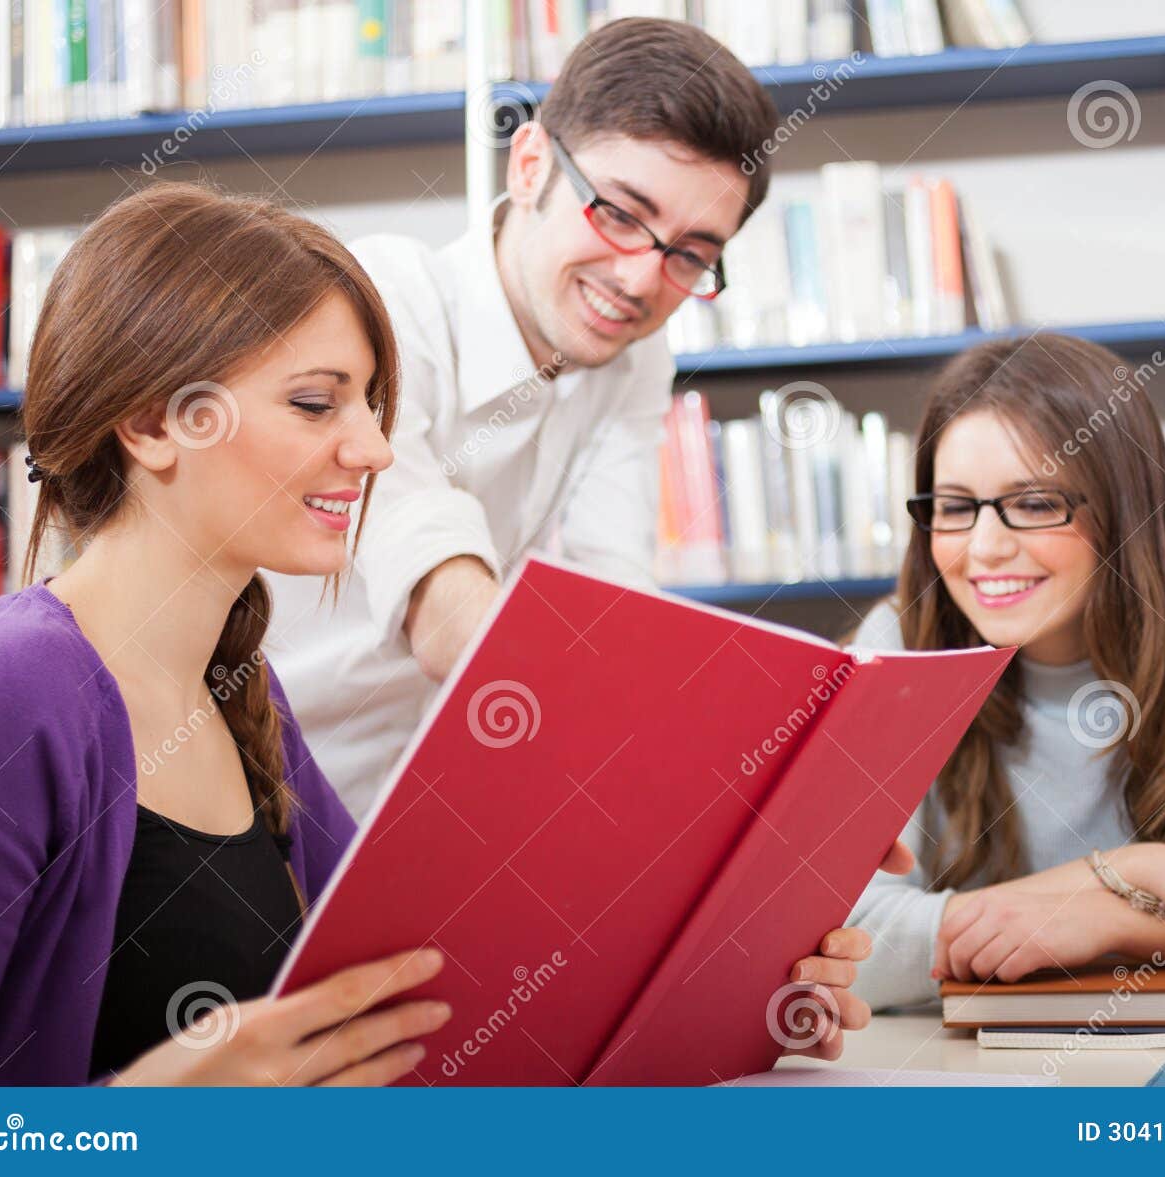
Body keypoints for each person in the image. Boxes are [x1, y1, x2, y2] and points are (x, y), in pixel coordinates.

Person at [0, 182, 880, 1085]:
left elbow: (424, 1008)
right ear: (154, 421)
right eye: (316, 404)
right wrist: (150, 1114)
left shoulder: (242, 692)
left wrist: (722, 987)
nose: (376, 447)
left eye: (375, 405)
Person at [263, 17, 782, 816]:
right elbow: (441, 600)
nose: (643, 280)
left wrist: (765, 785)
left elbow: (616, 602)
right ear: (532, 163)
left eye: (690, 253)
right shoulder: (381, 296)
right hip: (253, 781)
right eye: (618, 212)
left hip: (420, 789)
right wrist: (693, 768)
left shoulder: (634, 357)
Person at [847, 334, 1165, 1011]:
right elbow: (846, 945)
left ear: (1122, 509)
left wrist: (1109, 915)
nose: (983, 548)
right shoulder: (900, 638)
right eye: (954, 507)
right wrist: (1132, 875)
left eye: (1035, 503)